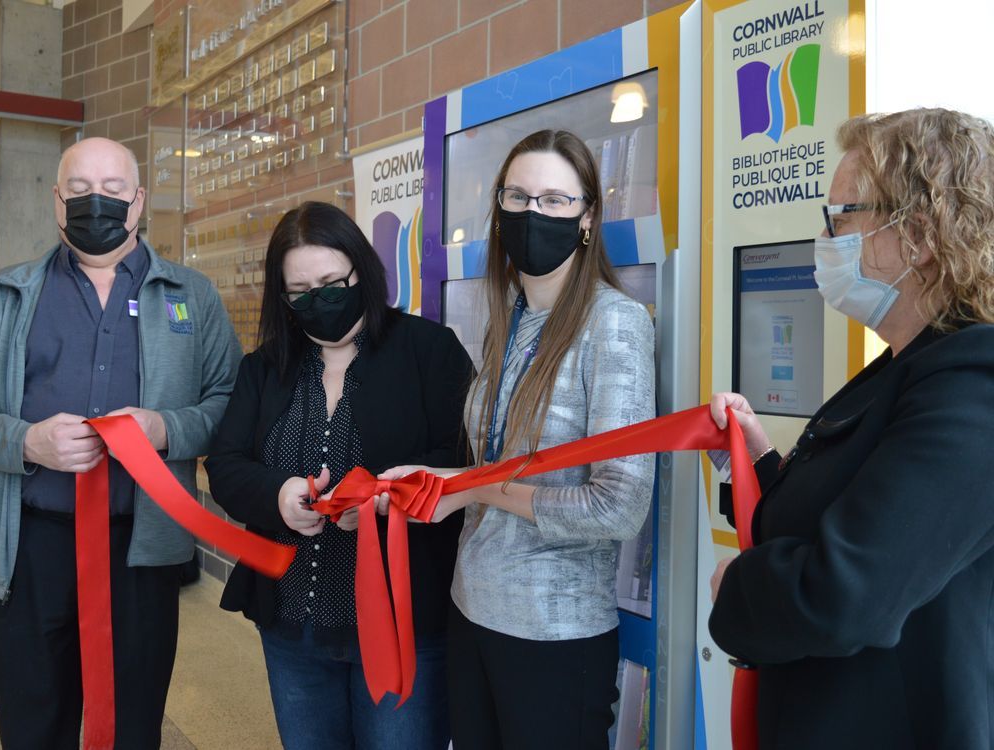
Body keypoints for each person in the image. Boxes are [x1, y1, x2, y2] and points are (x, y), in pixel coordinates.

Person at [708, 108, 994, 750]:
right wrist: (761, 464)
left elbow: (844, 594)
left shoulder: (974, 382)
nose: (826, 237)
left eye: (841, 217)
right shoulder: (902, 366)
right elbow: (856, 513)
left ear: (917, 235)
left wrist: (737, 587)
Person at [380, 129, 656, 750]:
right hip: (471, 610)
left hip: (554, 633)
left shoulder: (615, 323)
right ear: (500, 212)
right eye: (519, 197)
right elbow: (491, 462)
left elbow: (620, 505)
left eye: (555, 200)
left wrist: (474, 489)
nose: (534, 213)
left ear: (587, 217)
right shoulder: (508, 318)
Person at [0, 136, 242, 749]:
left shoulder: (193, 297)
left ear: (139, 202)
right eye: (79, 191)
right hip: (32, 546)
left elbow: (229, 407)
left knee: (132, 721)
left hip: (143, 547)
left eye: (111, 191)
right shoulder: (7, 297)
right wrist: (25, 442)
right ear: (56, 200)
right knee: (32, 717)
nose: (95, 203)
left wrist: (164, 429)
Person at [204, 201, 473, 750]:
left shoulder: (428, 351)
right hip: (291, 624)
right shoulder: (265, 367)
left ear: (362, 272)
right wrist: (278, 495)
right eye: (300, 291)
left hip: (403, 627)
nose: (318, 300)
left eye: (331, 282)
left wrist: (385, 502)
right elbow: (226, 464)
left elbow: (465, 466)